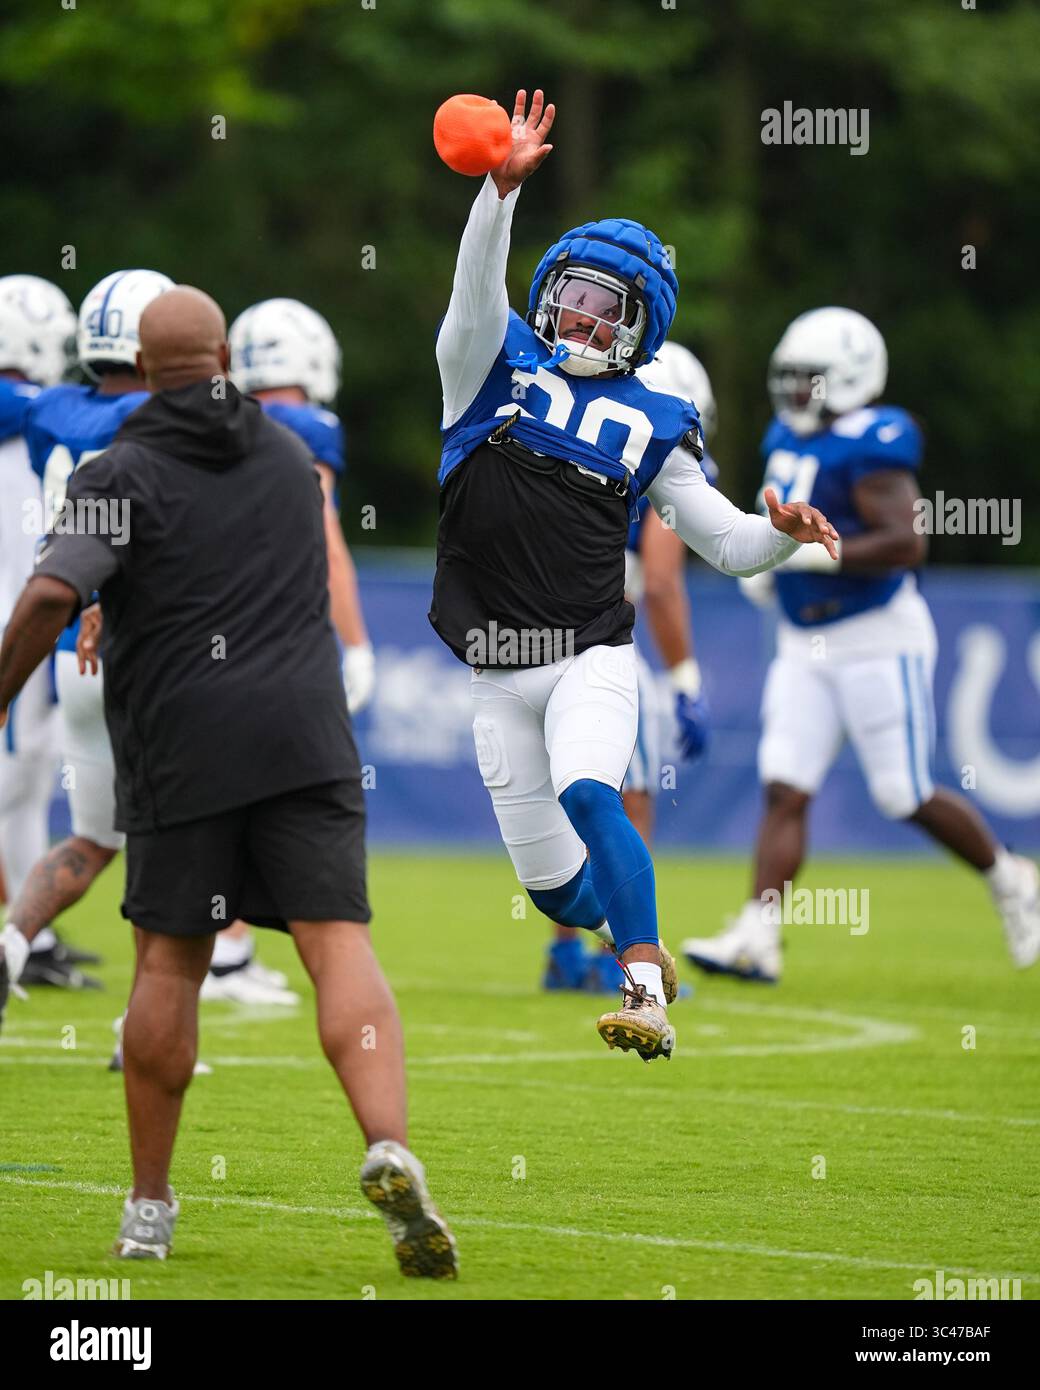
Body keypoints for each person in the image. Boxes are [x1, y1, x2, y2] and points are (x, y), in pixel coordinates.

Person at [0, 285, 457, 1277]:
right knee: (339, 949)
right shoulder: (288, 455)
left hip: (183, 743)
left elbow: (47, 589)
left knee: (170, 965)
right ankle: (388, 1143)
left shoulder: (117, 467)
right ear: (223, 357)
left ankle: (150, 1207)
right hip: (305, 734)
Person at [429, 89, 838, 1062]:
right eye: (570, 293)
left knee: (588, 789)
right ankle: (621, 923)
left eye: (601, 306)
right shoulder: (487, 367)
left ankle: (646, 987)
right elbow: (471, 294)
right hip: (494, 663)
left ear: (638, 325)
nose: (577, 314)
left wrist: (780, 531)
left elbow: (727, 544)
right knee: (551, 889)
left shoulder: (652, 420)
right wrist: (497, 194)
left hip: (585, 651)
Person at [682, 307, 1040, 981]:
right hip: (802, 637)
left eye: (810, 380)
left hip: (877, 635)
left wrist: (818, 559)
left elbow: (908, 541)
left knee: (901, 793)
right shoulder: (787, 436)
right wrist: (768, 567)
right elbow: (776, 520)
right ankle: (759, 934)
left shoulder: (875, 439)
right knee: (785, 788)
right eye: (790, 378)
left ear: (851, 378)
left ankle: (1009, 874)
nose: (796, 393)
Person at [542, 342, 714, 993]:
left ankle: (568, 952)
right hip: (607, 640)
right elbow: (663, 583)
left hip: (540, 629)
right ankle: (626, 956)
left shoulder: (574, 429)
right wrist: (686, 680)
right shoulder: (667, 446)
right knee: (624, 802)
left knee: (583, 798)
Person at [0, 276, 78, 974]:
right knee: (13, 782)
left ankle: (30, 940)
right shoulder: (21, 405)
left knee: (28, 782)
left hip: (27, 615)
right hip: (13, 620)